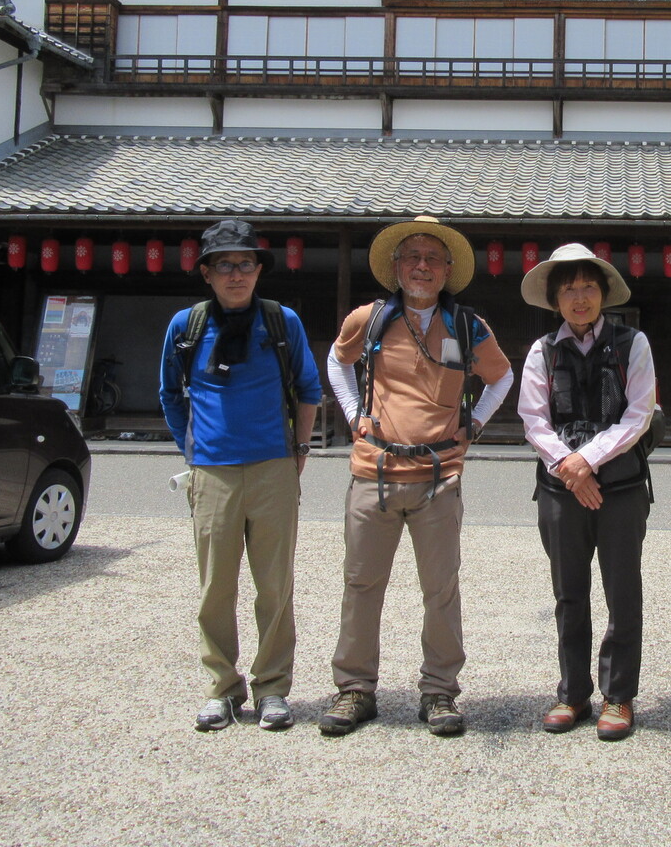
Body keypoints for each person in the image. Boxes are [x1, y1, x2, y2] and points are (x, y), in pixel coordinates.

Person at [321, 216, 514, 738]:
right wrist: (353, 413)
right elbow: (338, 363)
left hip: (439, 475)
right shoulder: (371, 317)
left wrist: (473, 423)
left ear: (448, 270)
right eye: (412, 257)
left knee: (441, 589)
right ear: (395, 266)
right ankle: (355, 688)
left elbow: (502, 376)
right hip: (374, 470)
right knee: (361, 583)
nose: (422, 266)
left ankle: (440, 692)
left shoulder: (468, 326)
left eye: (432, 258)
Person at [159, 218, 321, 732]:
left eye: (246, 264)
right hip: (212, 471)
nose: (236, 274)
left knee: (274, 586)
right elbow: (170, 394)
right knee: (215, 588)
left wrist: (298, 449)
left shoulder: (281, 322)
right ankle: (222, 688)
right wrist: (193, 447)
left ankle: (272, 688)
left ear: (258, 271)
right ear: (205, 273)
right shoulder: (185, 326)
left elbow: (309, 389)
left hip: (273, 465)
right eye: (224, 265)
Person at [517, 244, 656, 741]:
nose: (580, 299)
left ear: (603, 295)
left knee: (623, 593)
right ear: (555, 299)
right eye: (569, 290)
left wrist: (586, 461)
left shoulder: (632, 343)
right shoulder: (542, 351)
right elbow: (533, 419)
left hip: (619, 488)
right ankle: (573, 692)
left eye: (588, 288)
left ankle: (618, 695)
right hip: (559, 489)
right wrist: (568, 468)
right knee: (568, 594)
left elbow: (638, 415)